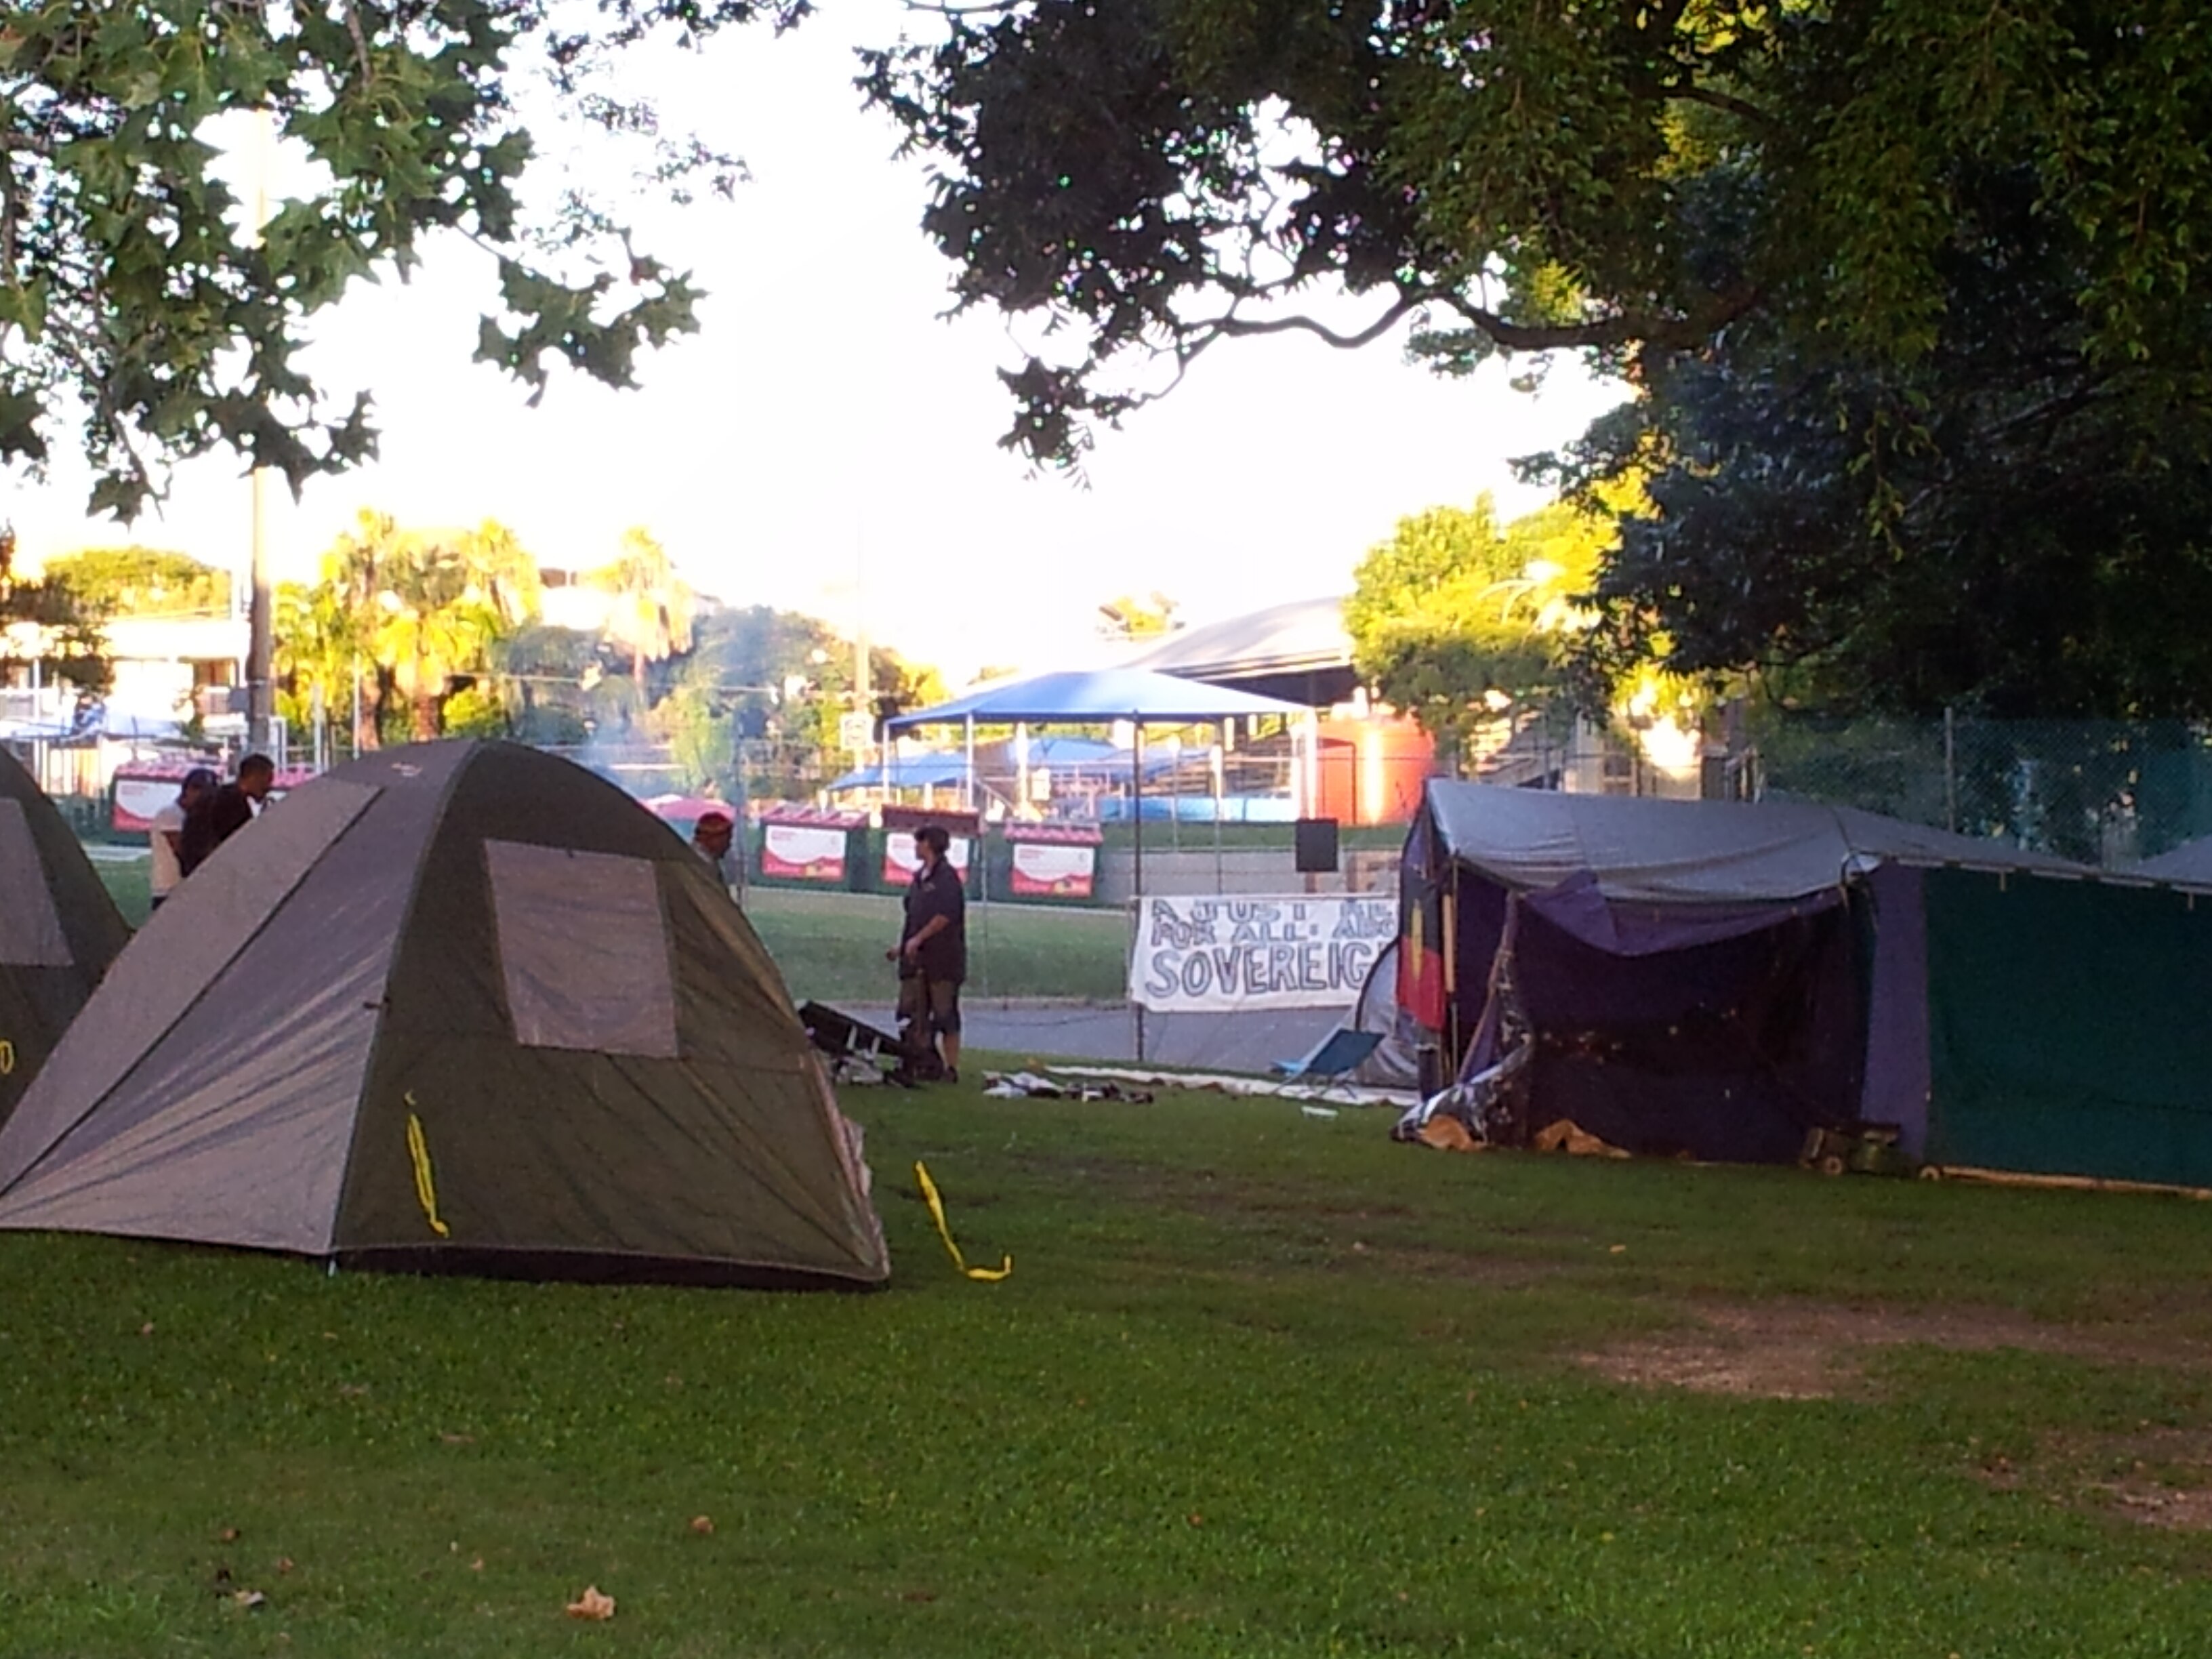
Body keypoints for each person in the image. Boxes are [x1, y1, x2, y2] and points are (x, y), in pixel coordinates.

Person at [886, 823, 966, 1082]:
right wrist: (902, 948)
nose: (915, 847)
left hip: (943, 959)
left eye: (919, 842)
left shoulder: (947, 879)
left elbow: (945, 916)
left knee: (945, 1014)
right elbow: (914, 916)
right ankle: (921, 1061)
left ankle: (951, 1069)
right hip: (915, 959)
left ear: (929, 845)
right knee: (912, 1011)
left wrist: (919, 939)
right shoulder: (919, 878)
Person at [180, 753, 274, 876]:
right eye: (267, 780)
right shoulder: (233, 802)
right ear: (253, 777)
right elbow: (239, 844)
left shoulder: (216, 796)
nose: (269, 787)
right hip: (213, 872)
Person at [148, 768, 216, 910]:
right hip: (168, 890)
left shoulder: (190, 817)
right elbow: (184, 850)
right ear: (189, 790)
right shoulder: (170, 815)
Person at [692, 809, 741, 897]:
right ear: (713, 837)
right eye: (726, 840)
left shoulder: (702, 861)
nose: (728, 845)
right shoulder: (701, 864)